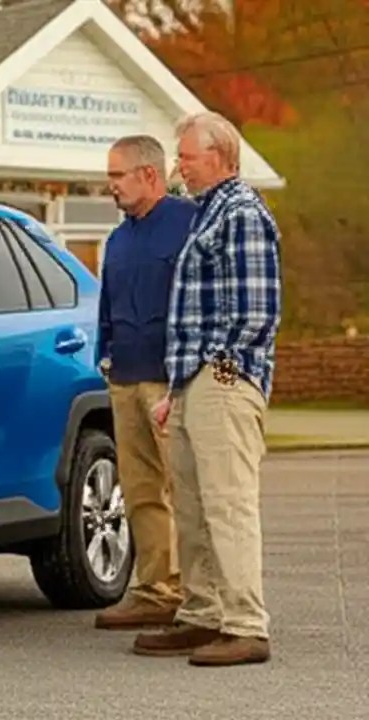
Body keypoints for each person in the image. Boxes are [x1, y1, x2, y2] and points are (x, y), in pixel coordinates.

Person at [138, 112, 282, 666]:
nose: (180, 168)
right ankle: (202, 614)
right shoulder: (207, 212)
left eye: (187, 157)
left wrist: (218, 372)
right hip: (194, 381)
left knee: (228, 504)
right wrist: (179, 390)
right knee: (193, 506)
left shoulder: (242, 213)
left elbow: (255, 311)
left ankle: (245, 625)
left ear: (219, 157)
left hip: (223, 380)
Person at [93, 135, 196, 631]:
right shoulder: (118, 240)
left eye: (118, 175)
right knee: (139, 491)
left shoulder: (189, 224)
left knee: (186, 491)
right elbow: (108, 304)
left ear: (149, 175)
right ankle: (156, 590)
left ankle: (198, 596)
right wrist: (105, 354)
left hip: (171, 382)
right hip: (125, 379)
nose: (110, 185)